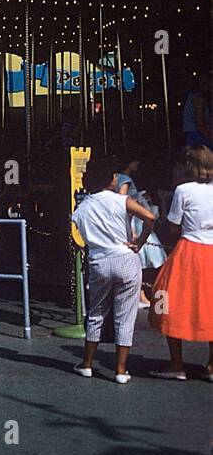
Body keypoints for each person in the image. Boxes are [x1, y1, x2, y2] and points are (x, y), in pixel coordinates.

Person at [71, 156, 156, 384]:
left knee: (97, 312)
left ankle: (86, 363)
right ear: (111, 179)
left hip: (99, 260)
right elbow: (150, 217)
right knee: (125, 316)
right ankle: (120, 370)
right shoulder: (122, 200)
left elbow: (79, 231)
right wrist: (139, 242)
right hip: (125, 258)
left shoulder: (82, 207)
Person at [150, 145, 213, 381]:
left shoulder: (183, 191)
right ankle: (211, 365)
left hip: (189, 251)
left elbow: (174, 225)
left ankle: (176, 363)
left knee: (168, 301)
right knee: (210, 304)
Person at [181, 76, 212, 148]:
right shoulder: (198, 98)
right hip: (198, 138)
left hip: (202, 136)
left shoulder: (204, 100)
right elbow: (200, 126)